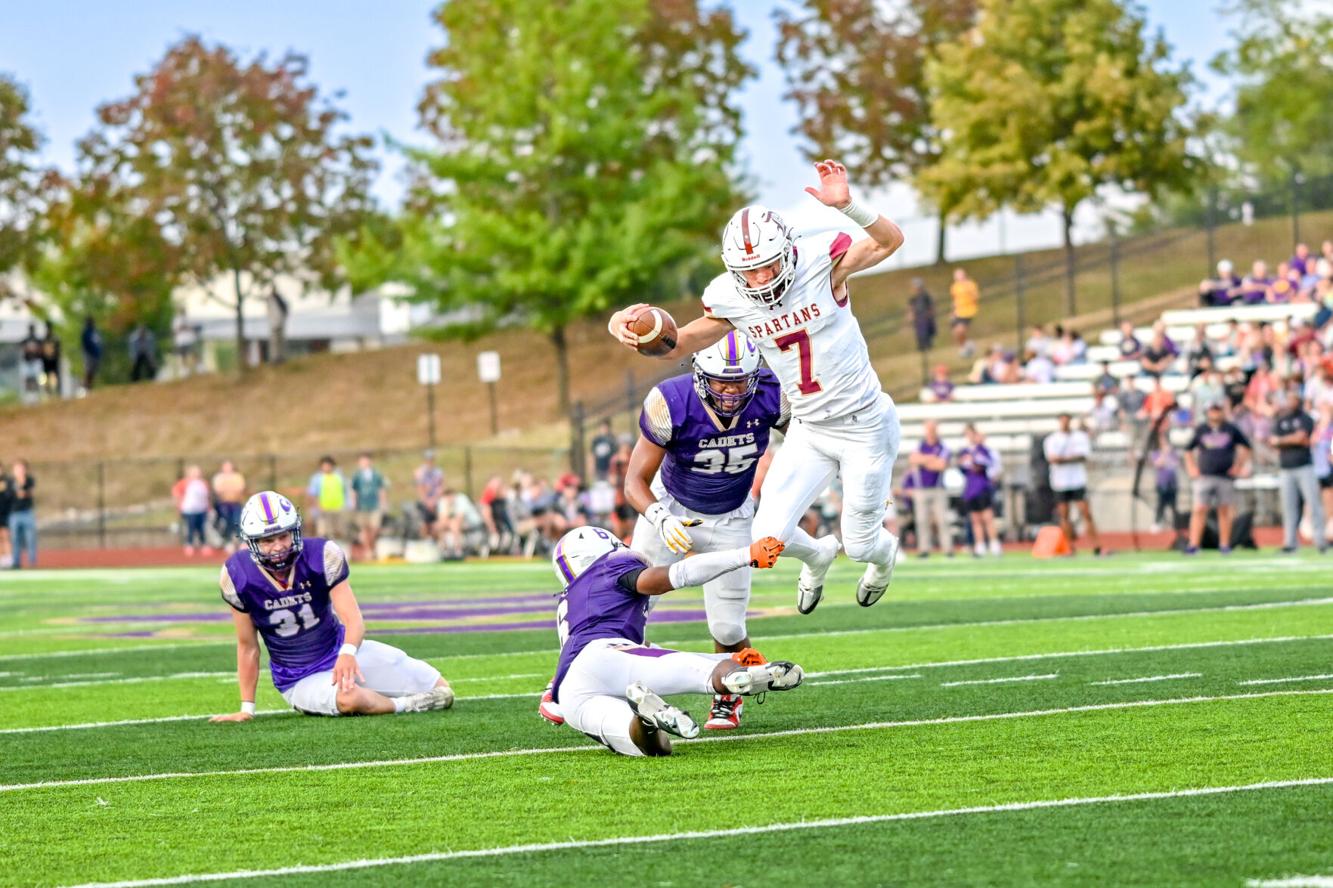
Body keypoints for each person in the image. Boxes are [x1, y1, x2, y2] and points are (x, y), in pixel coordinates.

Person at [608, 159, 905, 612]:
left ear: (787, 252)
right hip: (809, 428)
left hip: (864, 425)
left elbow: (890, 241)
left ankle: (884, 562)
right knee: (767, 538)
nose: (761, 279)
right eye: (750, 271)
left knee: (862, 543)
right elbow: (675, 345)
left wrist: (849, 205)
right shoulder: (732, 297)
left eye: (768, 267)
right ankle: (816, 561)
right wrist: (622, 326)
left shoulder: (820, 266)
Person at [615, 331, 809, 731]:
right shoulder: (670, 401)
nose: (730, 390)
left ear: (755, 376)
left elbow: (813, 444)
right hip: (671, 508)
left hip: (733, 516)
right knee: (628, 604)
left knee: (727, 626)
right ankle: (586, 678)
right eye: (721, 379)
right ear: (700, 374)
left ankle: (729, 694)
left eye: (739, 381)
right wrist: (659, 518)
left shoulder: (775, 394)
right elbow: (634, 480)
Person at [545, 525, 801, 756]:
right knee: (705, 674)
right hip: (604, 656)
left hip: (571, 694)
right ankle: (737, 676)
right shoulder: (610, 566)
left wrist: (725, 657)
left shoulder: (570, 600)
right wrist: (744, 555)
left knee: (654, 747)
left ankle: (646, 717)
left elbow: (640, 655)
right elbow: (678, 574)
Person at [210, 492, 453, 722]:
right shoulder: (237, 574)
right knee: (350, 698)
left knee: (440, 688)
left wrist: (347, 653)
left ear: (294, 531)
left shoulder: (321, 555)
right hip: (299, 677)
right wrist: (247, 709)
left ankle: (385, 695)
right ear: (251, 542)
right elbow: (248, 646)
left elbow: (353, 619)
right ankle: (406, 705)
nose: (278, 547)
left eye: (283, 536)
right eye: (267, 540)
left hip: (339, 652)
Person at [1183, 401, 1252, 555]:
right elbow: (1187, 450)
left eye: (1218, 410)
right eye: (1213, 410)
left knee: (1225, 510)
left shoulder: (1231, 429)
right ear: (1207, 412)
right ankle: (1193, 545)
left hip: (1225, 477)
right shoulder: (1201, 429)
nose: (1215, 413)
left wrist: (1238, 466)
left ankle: (1225, 545)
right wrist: (1192, 468)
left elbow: (1247, 447)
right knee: (1199, 509)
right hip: (1205, 476)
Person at [1270, 386, 1327, 554]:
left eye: (1294, 398)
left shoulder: (1305, 418)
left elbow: (1302, 437)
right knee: (1289, 507)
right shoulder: (1281, 419)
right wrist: (1291, 440)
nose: (1291, 401)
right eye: (1289, 398)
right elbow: (1273, 441)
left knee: (1313, 503)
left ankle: (1320, 541)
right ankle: (1290, 542)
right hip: (1286, 468)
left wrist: (1283, 440)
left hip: (1305, 467)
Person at [1043, 414, 1103, 556]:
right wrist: (1071, 458)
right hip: (1060, 482)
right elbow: (1053, 459)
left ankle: (1096, 546)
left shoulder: (1079, 437)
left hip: (1077, 481)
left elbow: (1083, 456)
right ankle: (1070, 547)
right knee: (1064, 515)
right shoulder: (1052, 439)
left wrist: (1063, 459)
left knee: (1086, 513)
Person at [909, 420, 952, 558]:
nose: (931, 431)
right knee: (922, 520)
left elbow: (941, 465)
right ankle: (924, 549)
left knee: (942, 520)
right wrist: (930, 458)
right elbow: (913, 459)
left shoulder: (942, 446)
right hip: (921, 489)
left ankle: (948, 549)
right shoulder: (920, 445)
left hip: (938, 488)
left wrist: (923, 461)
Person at [957, 424, 1002, 557]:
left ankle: (994, 544)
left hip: (982, 487)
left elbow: (982, 465)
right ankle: (980, 544)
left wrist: (972, 461)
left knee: (988, 517)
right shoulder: (964, 451)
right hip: (970, 489)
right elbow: (963, 467)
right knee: (975, 519)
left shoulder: (982, 450)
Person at [350, 453, 389, 559]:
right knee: (364, 528)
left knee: (375, 528)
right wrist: (353, 503)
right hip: (362, 506)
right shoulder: (357, 476)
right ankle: (368, 550)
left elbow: (381, 489)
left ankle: (372, 547)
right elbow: (354, 490)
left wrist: (383, 503)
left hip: (375, 505)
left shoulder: (377, 475)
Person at [306, 456, 349, 542]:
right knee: (323, 532)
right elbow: (313, 494)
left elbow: (345, 491)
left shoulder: (339, 477)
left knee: (338, 532)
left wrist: (346, 504)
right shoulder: (317, 478)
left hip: (337, 508)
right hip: (323, 509)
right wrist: (317, 506)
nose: (326, 468)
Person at [175, 465, 212, 556]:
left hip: (201, 509)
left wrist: (208, 507)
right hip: (189, 510)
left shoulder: (203, 483)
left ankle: (203, 544)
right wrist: (179, 506)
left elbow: (206, 496)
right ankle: (189, 544)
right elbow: (177, 494)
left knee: (202, 528)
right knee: (190, 527)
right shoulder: (184, 483)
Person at [212, 461, 247, 553]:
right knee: (226, 523)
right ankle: (228, 541)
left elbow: (240, 488)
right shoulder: (219, 477)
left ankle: (240, 541)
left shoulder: (237, 477)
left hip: (236, 503)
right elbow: (218, 489)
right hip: (224, 504)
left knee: (237, 522)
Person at [1149, 432, 1181, 534]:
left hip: (1173, 483)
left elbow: (1176, 464)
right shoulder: (1156, 453)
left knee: (1173, 506)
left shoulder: (1173, 453)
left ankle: (1176, 525)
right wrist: (1164, 453)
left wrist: (1169, 454)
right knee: (1161, 505)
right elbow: (1158, 464)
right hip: (1162, 483)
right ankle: (1157, 523)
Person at [7, 460, 35, 569]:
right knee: (15, 539)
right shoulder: (10, 481)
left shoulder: (29, 480)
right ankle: (16, 563)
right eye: (17, 468)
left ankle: (32, 563)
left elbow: (28, 492)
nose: (19, 471)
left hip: (27, 513)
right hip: (14, 514)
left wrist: (22, 488)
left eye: (21, 468)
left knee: (30, 539)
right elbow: (10, 495)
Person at [413, 451, 445, 541]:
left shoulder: (438, 472)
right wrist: (427, 501)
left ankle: (437, 542)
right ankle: (424, 541)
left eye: (431, 459)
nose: (429, 461)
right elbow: (420, 488)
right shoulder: (420, 472)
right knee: (424, 523)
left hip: (435, 501)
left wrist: (434, 500)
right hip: (425, 502)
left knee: (437, 524)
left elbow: (441, 487)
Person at [948, 268, 979, 357]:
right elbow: (954, 300)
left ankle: (966, 347)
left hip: (968, 311)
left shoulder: (970, 284)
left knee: (960, 330)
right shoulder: (954, 287)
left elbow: (975, 297)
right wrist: (952, 312)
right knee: (955, 333)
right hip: (958, 312)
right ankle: (965, 346)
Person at [907, 277, 936, 355]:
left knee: (926, 334)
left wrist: (929, 314)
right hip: (918, 319)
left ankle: (927, 347)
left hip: (925, 318)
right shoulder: (913, 298)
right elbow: (911, 308)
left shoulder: (926, 296)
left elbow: (931, 307)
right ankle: (922, 348)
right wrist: (911, 316)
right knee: (919, 334)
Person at [19, 324, 43, 402]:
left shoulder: (37, 340)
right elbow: (21, 346)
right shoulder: (26, 340)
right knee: (27, 379)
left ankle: (36, 395)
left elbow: (41, 349)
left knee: (36, 379)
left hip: (36, 361)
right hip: (27, 362)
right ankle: (28, 396)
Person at [80, 316, 103, 392]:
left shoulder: (95, 331)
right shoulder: (85, 331)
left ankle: (89, 386)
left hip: (95, 354)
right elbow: (84, 344)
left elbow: (98, 342)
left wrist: (99, 352)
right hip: (88, 354)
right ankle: (84, 386)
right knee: (88, 370)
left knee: (92, 371)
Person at [39, 325, 61, 398]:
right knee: (46, 378)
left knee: (55, 377)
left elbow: (58, 350)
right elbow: (41, 351)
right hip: (46, 361)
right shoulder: (44, 340)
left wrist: (55, 357)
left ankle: (56, 392)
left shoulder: (54, 339)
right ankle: (48, 393)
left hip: (53, 361)